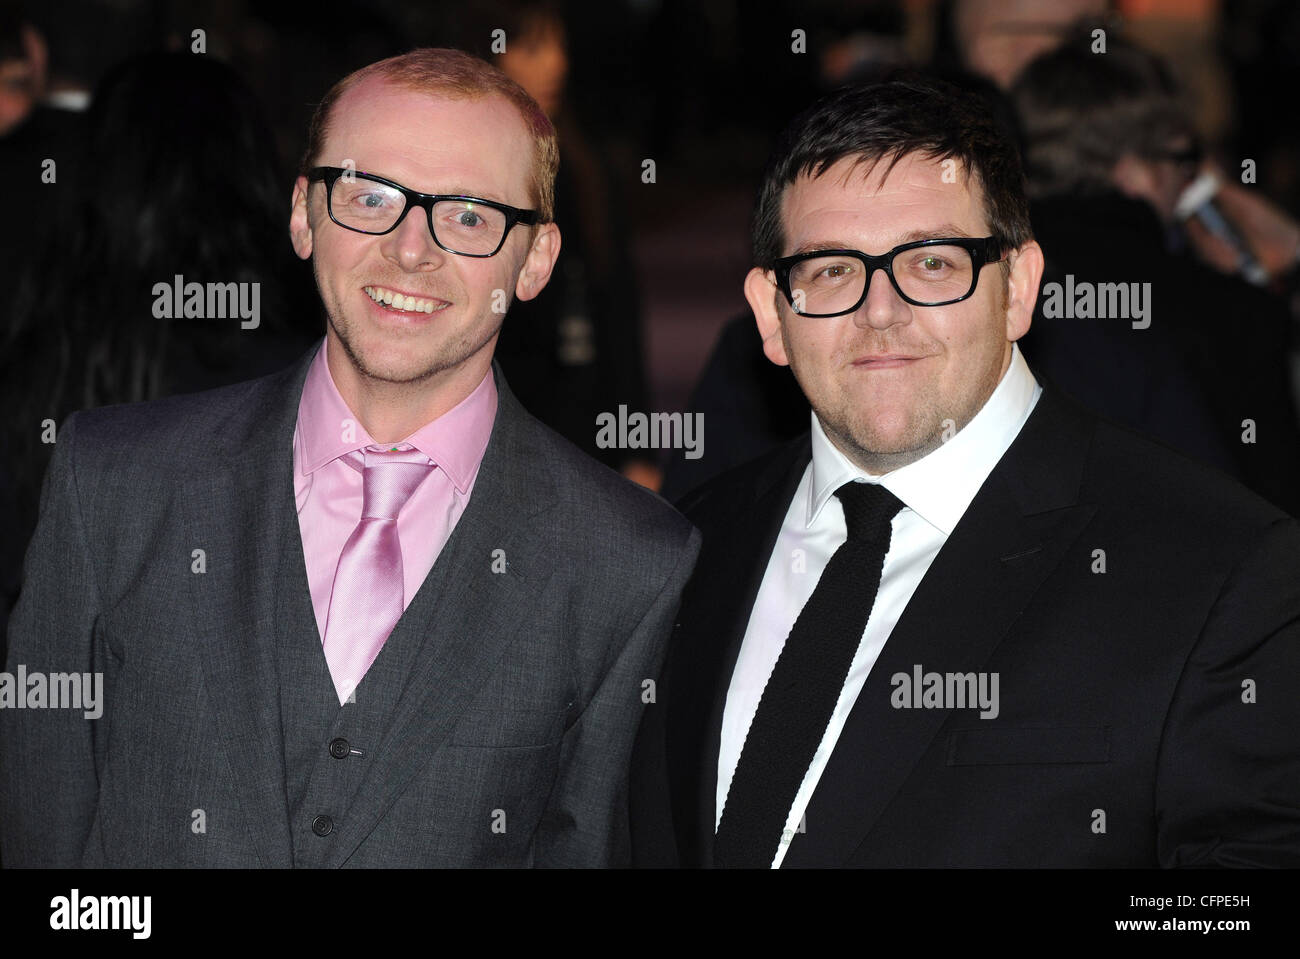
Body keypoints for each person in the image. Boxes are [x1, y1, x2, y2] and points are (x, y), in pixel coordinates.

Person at [1, 47, 699, 868]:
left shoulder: (628, 562)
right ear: (303, 214)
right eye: (370, 197)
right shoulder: (111, 482)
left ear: (537, 259)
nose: (411, 250)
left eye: (469, 215)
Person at [630, 75, 1300, 868]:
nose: (880, 310)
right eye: (832, 269)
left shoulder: (1220, 568)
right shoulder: (685, 546)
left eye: (933, 263)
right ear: (773, 314)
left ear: (1017, 288)